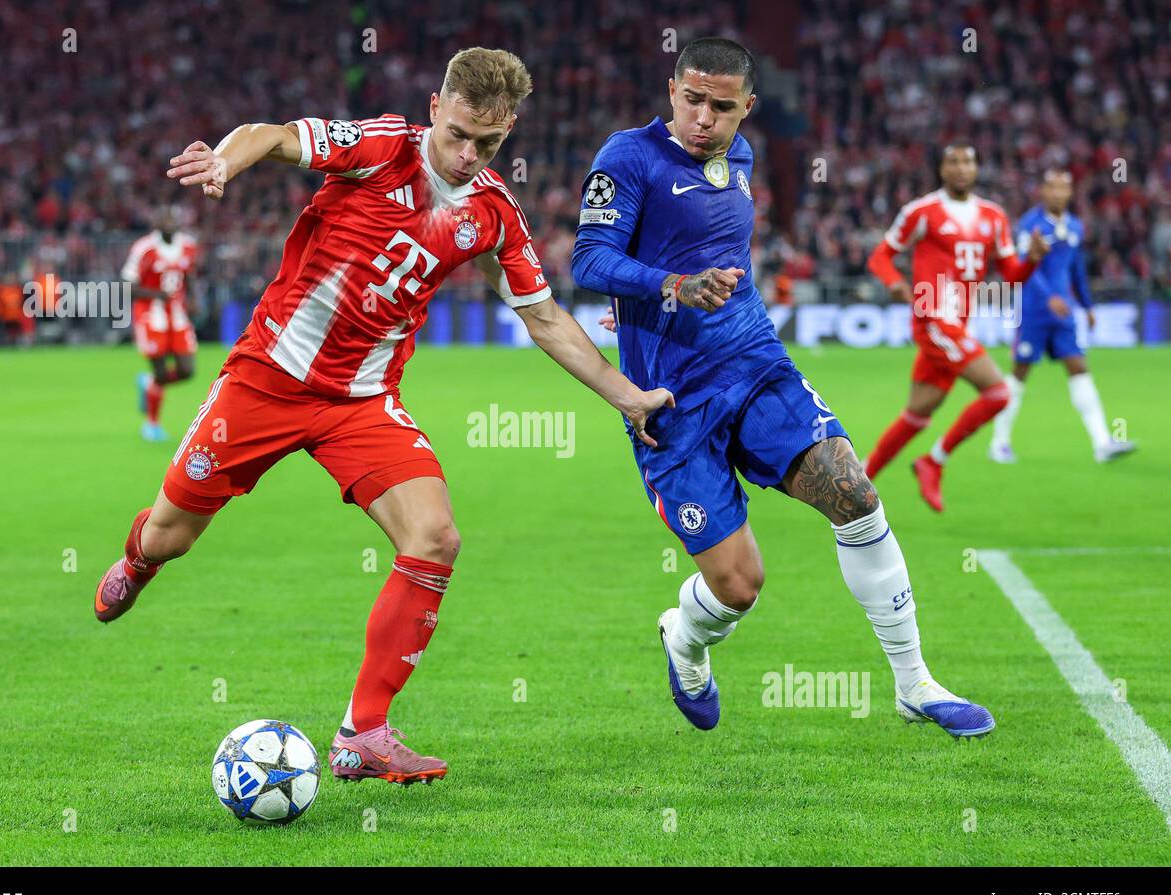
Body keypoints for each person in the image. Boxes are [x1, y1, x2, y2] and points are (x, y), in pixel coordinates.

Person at [92, 48, 673, 785]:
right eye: (459, 134)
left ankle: (363, 732)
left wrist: (630, 397)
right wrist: (225, 164)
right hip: (266, 381)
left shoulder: (492, 211)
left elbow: (547, 319)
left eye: (488, 144)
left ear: (509, 130)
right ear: (436, 107)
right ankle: (141, 559)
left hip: (362, 402)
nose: (468, 156)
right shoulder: (379, 148)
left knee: (435, 536)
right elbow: (272, 135)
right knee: (172, 534)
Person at [572, 38, 993, 739]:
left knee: (854, 492)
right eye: (692, 99)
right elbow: (589, 257)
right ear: (671, 89)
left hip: (755, 364)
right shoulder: (628, 157)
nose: (704, 117)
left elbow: (721, 247)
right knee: (739, 586)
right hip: (670, 402)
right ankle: (686, 640)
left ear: (748, 110)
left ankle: (915, 683)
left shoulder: (740, 158)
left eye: (722, 106)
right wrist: (671, 285)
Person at [864, 144, 1047, 511]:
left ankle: (860, 482)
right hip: (933, 317)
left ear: (977, 168)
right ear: (941, 169)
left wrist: (1032, 260)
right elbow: (881, 255)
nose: (961, 168)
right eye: (953, 162)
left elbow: (1012, 274)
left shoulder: (993, 217)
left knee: (917, 413)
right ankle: (934, 461)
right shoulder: (921, 212)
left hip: (959, 323)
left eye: (968, 161)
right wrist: (895, 284)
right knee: (998, 393)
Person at [989, 169, 1136, 463]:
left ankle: (1102, 443)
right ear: (1042, 192)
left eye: (1063, 188)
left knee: (1079, 369)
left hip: (1064, 313)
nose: (1057, 193)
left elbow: (1076, 270)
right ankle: (999, 443)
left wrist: (1088, 305)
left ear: (1070, 193)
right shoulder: (1031, 225)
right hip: (1033, 312)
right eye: (1052, 188)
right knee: (1019, 375)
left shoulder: (1075, 226)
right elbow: (1023, 265)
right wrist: (1049, 298)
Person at [122, 207, 200, 441]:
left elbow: (189, 275)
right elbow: (127, 286)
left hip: (176, 315)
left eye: (172, 219)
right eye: (163, 218)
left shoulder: (188, 245)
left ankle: (149, 384)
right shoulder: (144, 248)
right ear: (155, 222)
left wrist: (193, 298)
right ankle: (152, 424)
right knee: (161, 370)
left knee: (187, 370)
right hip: (150, 316)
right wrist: (157, 295)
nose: (169, 223)